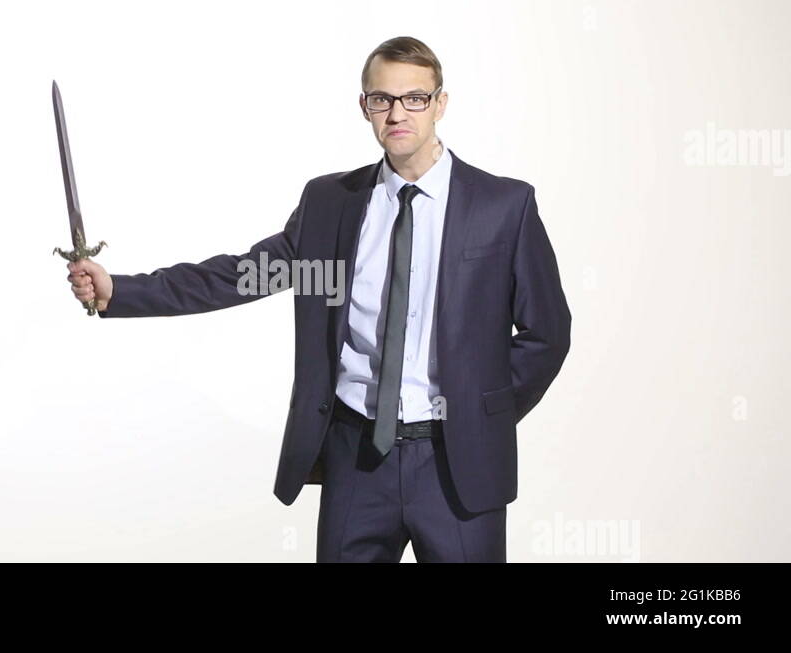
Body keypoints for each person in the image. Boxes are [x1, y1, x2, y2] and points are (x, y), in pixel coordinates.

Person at [66, 36, 571, 562]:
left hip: (456, 464)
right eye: (382, 99)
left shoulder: (502, 206)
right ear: (365, 107)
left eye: (414, 98)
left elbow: (548, 334)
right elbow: (244, 275)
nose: (397, 113)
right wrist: (120, 289)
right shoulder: (333, 203)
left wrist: (480, 410)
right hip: (356, 462)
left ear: (440, 104)